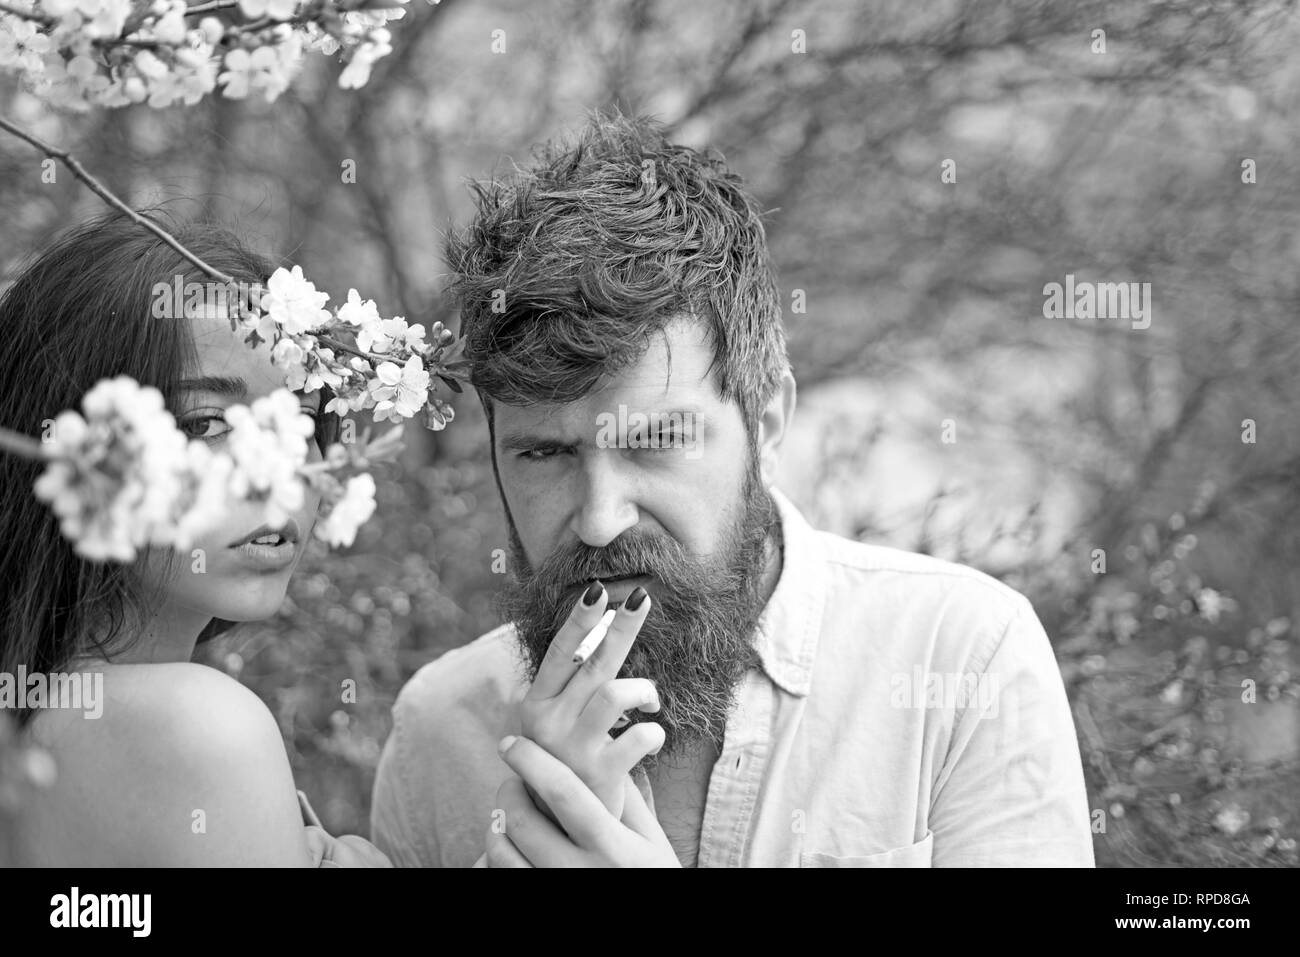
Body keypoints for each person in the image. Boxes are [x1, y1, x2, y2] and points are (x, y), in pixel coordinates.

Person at [370, 111, 1097, 867]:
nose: (598, 518)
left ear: (769, 424)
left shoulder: (960, 657)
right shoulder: (439, 732)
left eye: (654, 442)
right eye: (545, 453)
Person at [0, 213, 391, 866]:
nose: (275, 472)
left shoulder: (46, 714)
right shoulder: (201, 728)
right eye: (206, 421)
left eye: (297, 420)